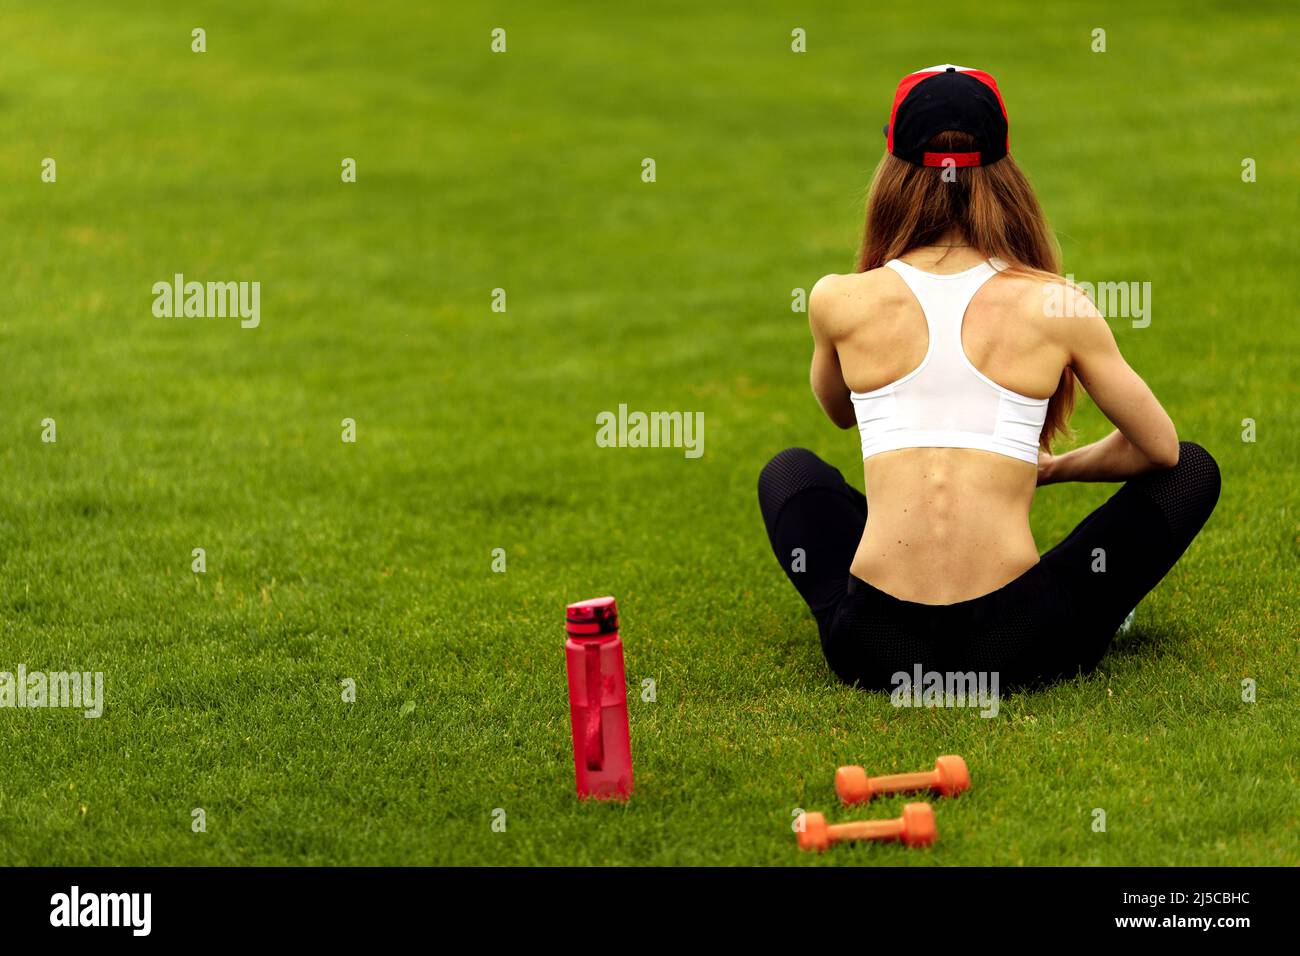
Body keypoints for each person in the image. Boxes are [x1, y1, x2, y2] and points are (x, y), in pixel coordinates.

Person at [757, 65, 1220, 690]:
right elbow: (1161, 450)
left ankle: (875, 588)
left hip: (876, 647)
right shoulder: (1056, 303)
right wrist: (1053, 467)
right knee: (1193, 469)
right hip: (1020, 644)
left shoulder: (838, 299)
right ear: (1005, 176)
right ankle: (1089, 607)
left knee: (789, 471)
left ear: (893, 174)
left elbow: (837, 411)